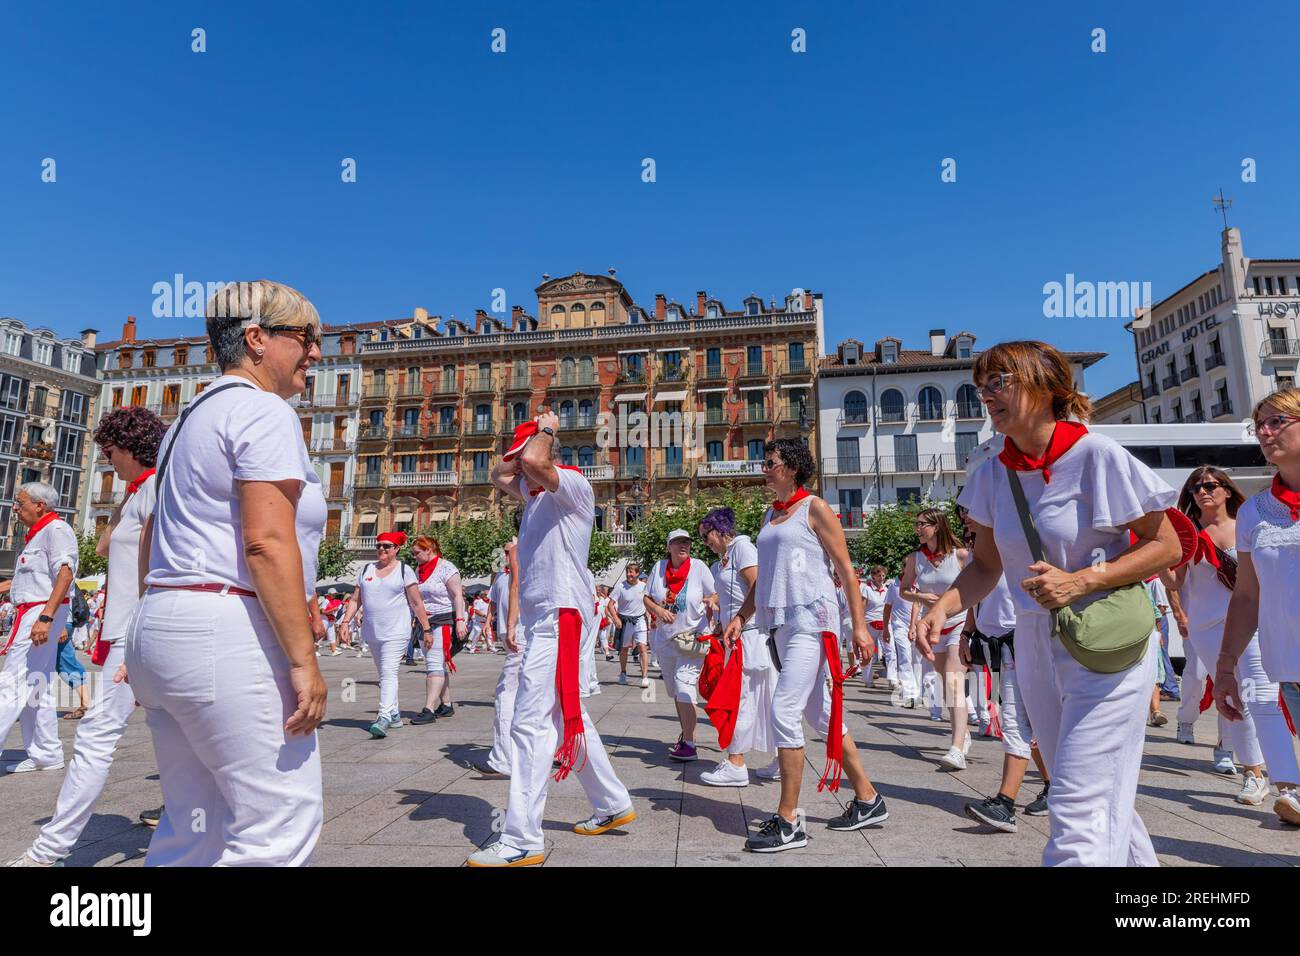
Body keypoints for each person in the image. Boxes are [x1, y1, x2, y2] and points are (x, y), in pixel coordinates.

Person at [919, 340, 1181, 866]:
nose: (986, 395)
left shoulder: (1096, 455)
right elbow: (988, 567)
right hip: (1035, 638)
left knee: (1078, 803)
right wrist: (944, 606)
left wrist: (1083, 579)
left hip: (1104, 640)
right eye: (981, 385)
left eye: (999, 382)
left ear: (1045, 388)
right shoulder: (993, 471)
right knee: (1093, 790)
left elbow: (1167, 546)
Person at [129, 279, 328, 866]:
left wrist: (153, 625)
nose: (315, 353)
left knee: (193, 827)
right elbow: (266, 542)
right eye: (305, 337)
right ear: (257, 339)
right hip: (225, 626)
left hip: (165, 618)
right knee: (277, 823)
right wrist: (303, 661)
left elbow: (149, 534)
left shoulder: (190, 417)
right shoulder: (262, 410)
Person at [468, 414, 634, 866]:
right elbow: (498, 474)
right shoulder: (534, 497)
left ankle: (523, 839)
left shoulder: (573, 486)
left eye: (525, 461)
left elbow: (534, 460)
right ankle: (613, 803)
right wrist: (519, 449)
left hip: (562, 614)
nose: (519, 468)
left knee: (528, 722)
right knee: (562, 719)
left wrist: (546, 427)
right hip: (546, 617)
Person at [8, 406, 164, 867]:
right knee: (172, 733)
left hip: (133, 634)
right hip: (129, 633)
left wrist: (136, 644)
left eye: (111, 451)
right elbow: (101, 548)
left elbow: (155, 570)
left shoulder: (155, 491)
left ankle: (49, 850)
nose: (107, 461)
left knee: (96, 737)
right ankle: (185, 814)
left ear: (130, 448)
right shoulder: (139, 493)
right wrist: (123, 502)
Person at [726, 438, 889, 852]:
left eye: (770, 462)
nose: (764, 468)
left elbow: (846, 570)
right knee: (821, 713)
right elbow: (765, 579)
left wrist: (860, 628)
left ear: (793, 467)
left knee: (784, 709)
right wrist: (742, 615)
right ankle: (869, 799)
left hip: (811, 622)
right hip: (780, 625)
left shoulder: (814, 507)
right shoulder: (770, 514)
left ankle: (788, 821)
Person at [1163, 466, 1299, 808]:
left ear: (1226, 490)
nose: (1202, 492)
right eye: (1195, 487)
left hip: (1250, 624)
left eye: (1209, 485)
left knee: (1261, 697)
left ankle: (1286, 787)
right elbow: (1175, 582)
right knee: (1235, 701)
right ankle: (1254, 774)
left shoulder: (1250, 523)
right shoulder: (1188, 533)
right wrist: (1159, 558)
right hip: (1208, 629)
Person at [1215, 389, 1300, 825]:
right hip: (1290, 672)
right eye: (1260, 425)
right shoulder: (1255, 514)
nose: (1265, 433)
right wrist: (1226, 666)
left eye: (1278, 422)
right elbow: (1247, 595)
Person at [0, 482, 79, 775]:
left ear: (39, 505)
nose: (15, 508)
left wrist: (46, 617)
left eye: (20, 503)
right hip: (34, 611)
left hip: (40, 611)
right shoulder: (38, 534)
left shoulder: (56, 530)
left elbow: (65, 573)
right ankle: (46, 754)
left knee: (12, 680)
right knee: (37, 685)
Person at [697, 507, 779, 786]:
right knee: (764, 699)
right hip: (740, 633)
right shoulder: (725, 559)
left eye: (705, 534)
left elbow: (758, 585)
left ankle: (736, 763)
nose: (704, 541)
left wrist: (739, 619)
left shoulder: (743, 547)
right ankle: (781, 758)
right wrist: (724, 620)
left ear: (720, 530)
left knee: (741, 697)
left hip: (750, 634)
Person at [901, 507, 974, 769]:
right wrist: (920, 597)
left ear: (938, 526)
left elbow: (977, 589)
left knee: (954, 680)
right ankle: (963, 733)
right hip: (932, 628)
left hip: (958, 622)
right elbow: (904, 591)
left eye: (922, 524)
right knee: (946, 682)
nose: (918, 528)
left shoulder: (961, 555)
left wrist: (973, 627)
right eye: (917, 524)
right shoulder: (915, 558)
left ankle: (956, 750)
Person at [342, 533, 431, 737]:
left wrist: (426, 629)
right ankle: (395, 715)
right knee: (384, 673)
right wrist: (345, 621)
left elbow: (417, 603)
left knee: (389, 672)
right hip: (372, 631)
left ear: (397, 548)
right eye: (379, 546)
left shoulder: (404, 570)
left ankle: (383, 717)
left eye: (387, 546)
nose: (382, 549)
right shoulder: (366, 569)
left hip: (397, 631)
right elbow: (356, 600)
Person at [644, 528, 717, 762]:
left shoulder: (699, 567)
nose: (683, 545)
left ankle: (690, 743)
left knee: (685, 688)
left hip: (692, 639)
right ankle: (686, 734)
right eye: (677, 542)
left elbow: (715, 592)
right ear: (669, 546)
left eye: (686, 541)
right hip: (665, 640)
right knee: (676, 692)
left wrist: (711, 601)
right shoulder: (658, 568)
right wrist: (658, 610)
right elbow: (646, 597)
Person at [476, 540, 520, 778]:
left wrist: (512, 625)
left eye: (508, 550)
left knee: (505, 695)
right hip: (510, 635)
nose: (505, 554)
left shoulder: (521, 571)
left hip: (519, 637)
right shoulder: (502, 576)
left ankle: (503, 759)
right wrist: (487, 622)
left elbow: (519, 594)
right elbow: (494, 602)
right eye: (503, 551)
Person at [409, 535, 466, 723]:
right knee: (436, 664)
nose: (414, 556)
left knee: (434, 664)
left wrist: (460, 620)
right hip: (424, 622)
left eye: (417, 553)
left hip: (443, 620)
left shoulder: (446, 568)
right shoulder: (419, 570)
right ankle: (447, 704)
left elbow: (458, 595)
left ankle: (429, 709)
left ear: (429, 549)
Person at [608, 562, 649, 687]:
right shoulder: (620, 586)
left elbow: (649, 602)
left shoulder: (644, 586)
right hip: (624, 620)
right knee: (624, 648)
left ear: (637, 573)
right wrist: (616, 618)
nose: (628, 574)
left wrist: (651, 617)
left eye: (631, 572)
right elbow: (610, 604)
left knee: (642, 647)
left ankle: (645, 676)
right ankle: (623, 672)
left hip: (640, 619)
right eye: (627, 572)